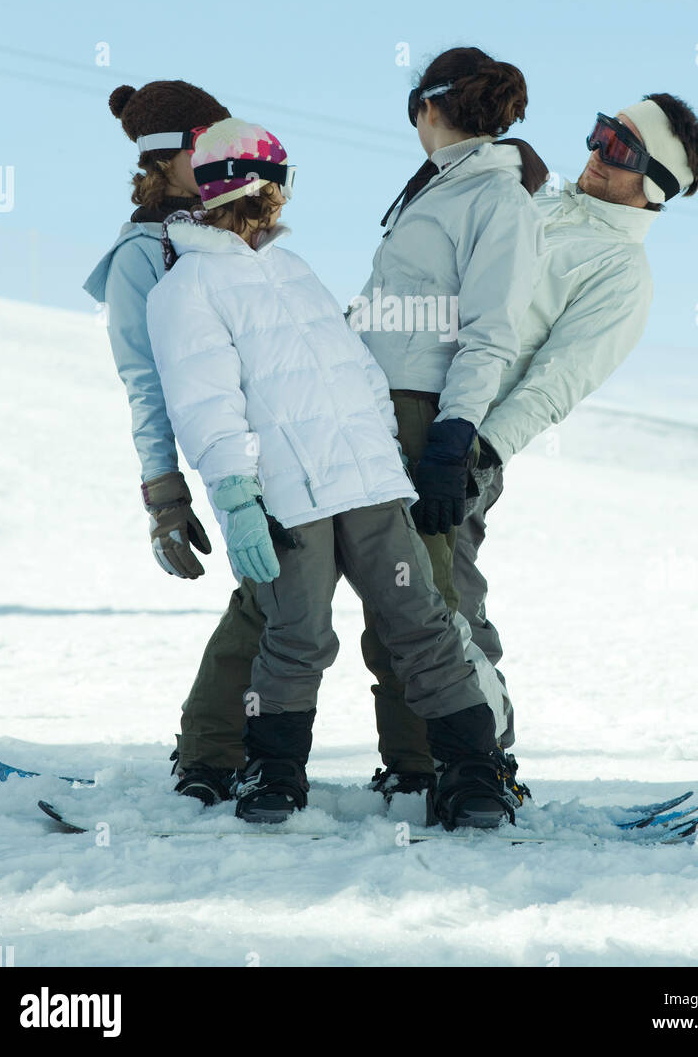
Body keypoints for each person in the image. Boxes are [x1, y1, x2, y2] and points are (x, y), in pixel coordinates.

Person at [144, 116, 516, 830]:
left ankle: (471, 772)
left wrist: (382, 448)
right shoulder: (187, 288)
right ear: (260, 187)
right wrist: (236, 494)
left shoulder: (290, 268)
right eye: (279, 182)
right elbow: (205, 404)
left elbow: (354, 371)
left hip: (368, 485)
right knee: (297, 636)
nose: (284, 199)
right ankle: (274, 772)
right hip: (290, 496)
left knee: (422, 624)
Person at [442, 95, 698, 760]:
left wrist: (480, 453)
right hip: (396, 406)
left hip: (460, 442)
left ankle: (485, 755)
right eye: (599, 133)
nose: (595, 152)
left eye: (619, 148)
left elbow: (555, 382)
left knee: (440, 599)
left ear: (653, 184)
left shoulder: (620, 272)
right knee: (300, 590)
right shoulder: (535, 203)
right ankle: (225, 749)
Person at [349, 47, 550, 803]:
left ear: (427, 107)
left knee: (426, 601)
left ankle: (475, 762)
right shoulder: (439, 190)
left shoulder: (496, 200)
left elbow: (491, 331)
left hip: (426, 414)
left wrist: (450, 439)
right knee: (391, 596)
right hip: (377, 409)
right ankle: (413, 764)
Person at [84, 80, 272, 803]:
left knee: (294, 598)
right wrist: (164, 495)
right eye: (208, 149)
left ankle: (246, 749)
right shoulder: (144, 256)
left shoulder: (242, 227)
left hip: (295, 441)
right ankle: (212, 754)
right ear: (164, 159)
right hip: (233, 452)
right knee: (274, 594)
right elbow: (145, 380)